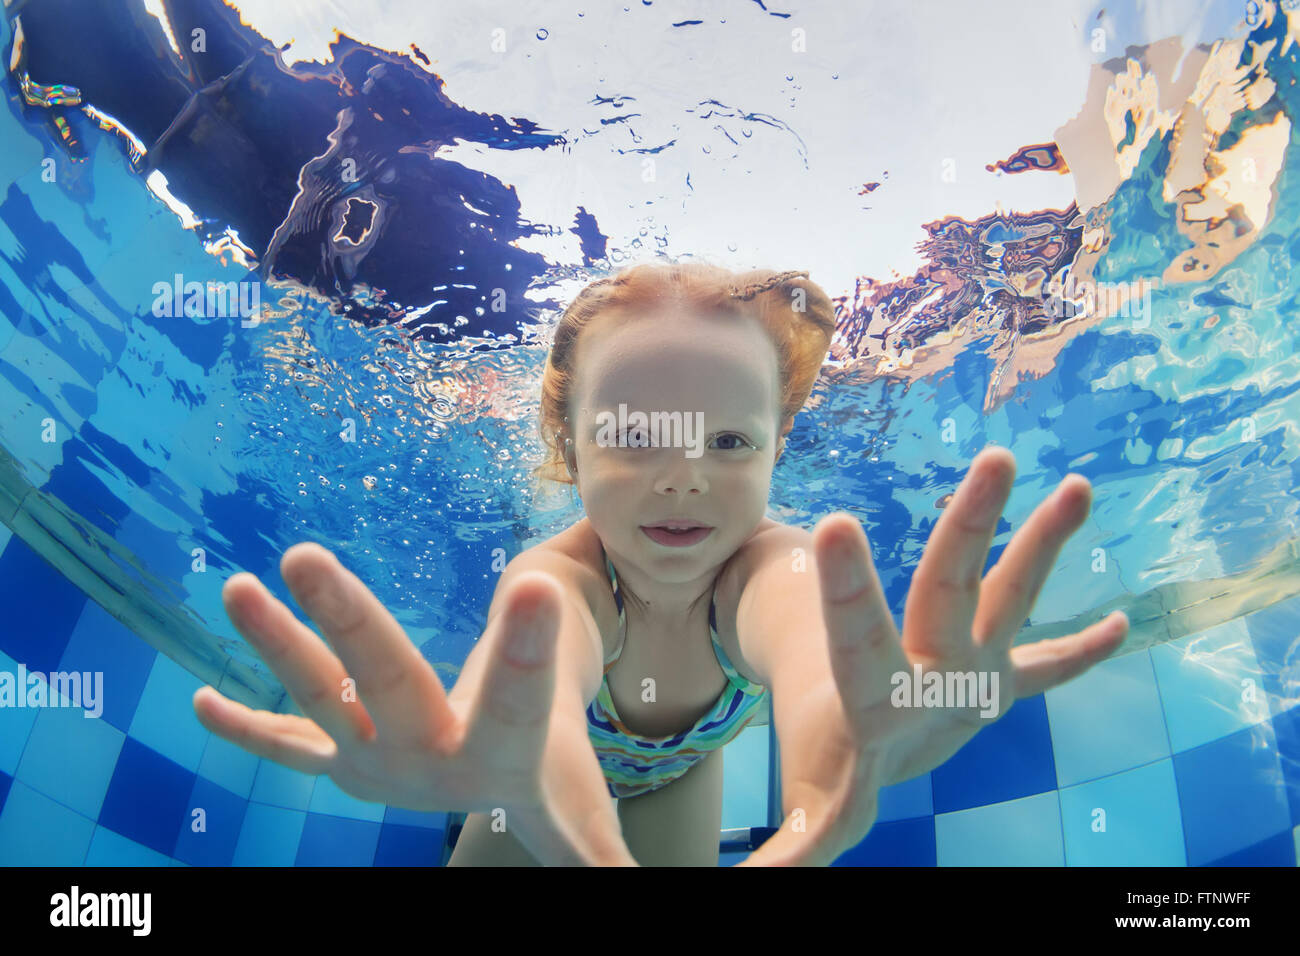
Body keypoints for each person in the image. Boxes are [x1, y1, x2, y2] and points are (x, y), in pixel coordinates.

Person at [192, 261, 1129, 866]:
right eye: (636, 437)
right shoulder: (559, 579)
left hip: (681, 772)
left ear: (777, 444)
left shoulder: (776, 565)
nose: (684, 480)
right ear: (569, 440)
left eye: (729, 440)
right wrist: (535, 791)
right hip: (525, 779)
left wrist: (837, 734)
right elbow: (535, 684)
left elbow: (806, 649)